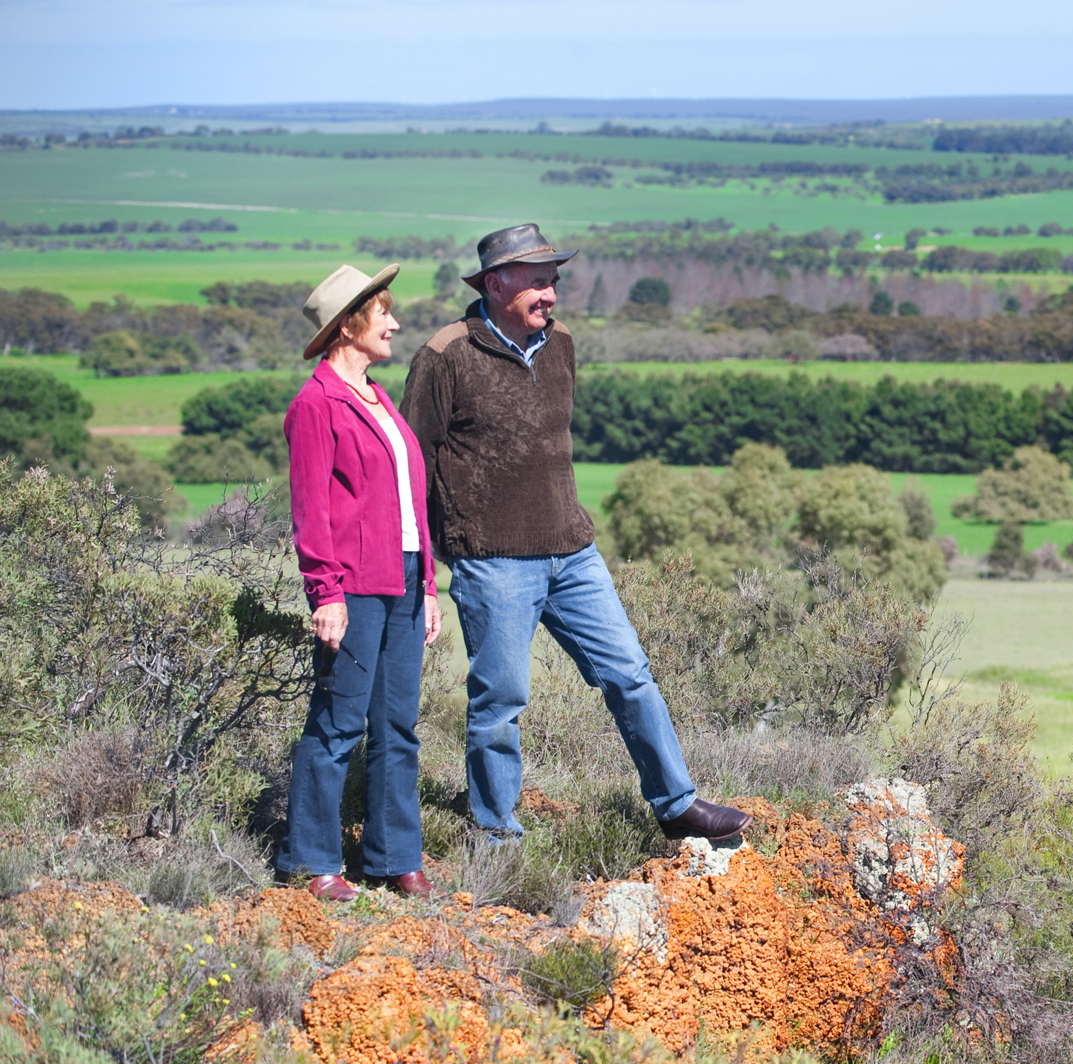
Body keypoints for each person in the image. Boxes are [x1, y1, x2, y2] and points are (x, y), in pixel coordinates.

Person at [402, 224, 749, 843]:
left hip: (573, 552)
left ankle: (677, 808)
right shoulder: (444, 354)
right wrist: (428, 569)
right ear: (495, 283)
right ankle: (496, 837)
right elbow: (412, 464)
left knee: (630, 675)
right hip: (492, 560)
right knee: (499, 704)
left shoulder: (560, 344)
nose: (551, 293)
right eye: (538, 280)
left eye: (555, 280)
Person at [282, 263, 443, 901]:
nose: (396, 324)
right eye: (384, 315)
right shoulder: (315, 403)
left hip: (403, 580)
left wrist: (427, 585)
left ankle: (393, 858)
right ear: (349, 325)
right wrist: (325, 593)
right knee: (338, 724)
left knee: (398, 726)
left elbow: (410, 499)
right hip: (352, 585)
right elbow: (311, 509)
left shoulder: (379, 398)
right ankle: (315, 862)